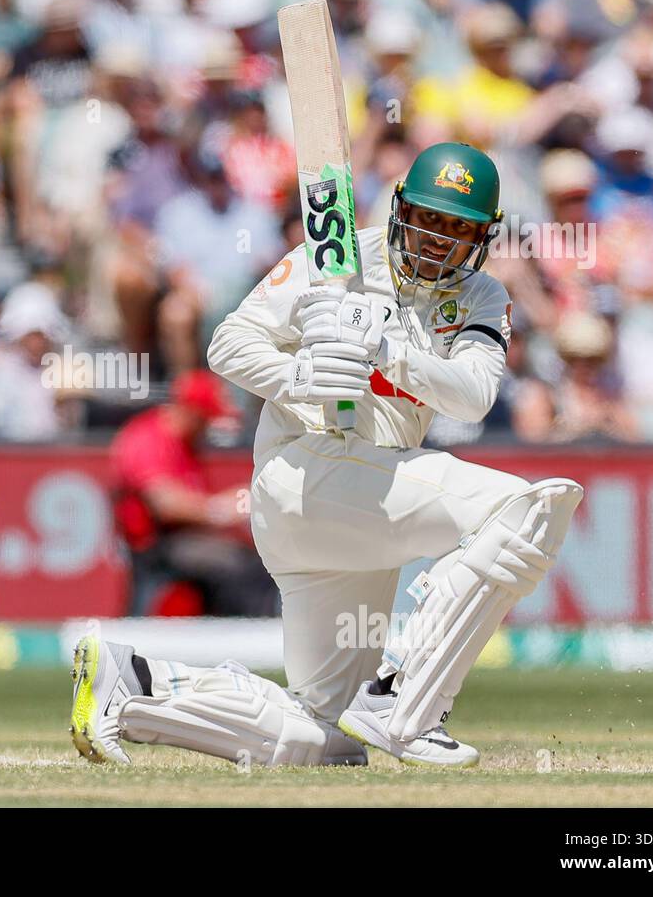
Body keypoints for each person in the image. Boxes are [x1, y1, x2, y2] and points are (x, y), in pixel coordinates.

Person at [69, 143, 583, 768]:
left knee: (327, 737)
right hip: (306, 470)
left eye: (459, 229)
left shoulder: (482, 298)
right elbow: (229, 343)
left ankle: (139, 686)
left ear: (483, 236)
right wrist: (298, 374)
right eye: (429, 219)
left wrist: (388, 347)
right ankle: (402, 698)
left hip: (362, 504)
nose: (439, 240)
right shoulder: (334, 257)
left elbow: (472, 397)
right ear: (400, 211)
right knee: (529, 507)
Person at [109, 370, 278, 617]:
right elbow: (166, 505)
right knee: (240, 565)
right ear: (191, 412)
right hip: (157, 545)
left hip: (186, 538)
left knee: (253, 556)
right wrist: (222, 509)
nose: (208, 427)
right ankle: (247, 635)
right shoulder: (147, 438)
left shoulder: (185, 444)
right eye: (205, 419)